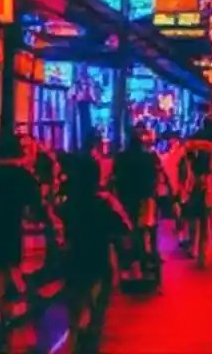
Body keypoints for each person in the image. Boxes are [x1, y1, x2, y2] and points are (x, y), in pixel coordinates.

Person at [58, 152, 131, 352]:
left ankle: (73, 340)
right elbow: (124, 229)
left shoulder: (67, 204)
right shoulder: (103, 204)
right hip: (99, 262)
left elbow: (58, 230)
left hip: (74, 261)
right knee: (96, 314)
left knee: (75, 311)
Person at [0, 134, 39, 328]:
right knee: (13, 265)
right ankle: (21, 300)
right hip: (13, 224)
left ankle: (0, 310)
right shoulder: (22, 175)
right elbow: (33, 202)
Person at [111, 127, 170, 278]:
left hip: (126, 198)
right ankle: (149, 259)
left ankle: (133, 260)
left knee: (130, 229)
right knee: (148, 228)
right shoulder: (148, 157)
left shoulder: (121, 157)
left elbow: (115, 177)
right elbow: (155, 176)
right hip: (145, 197)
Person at [180, 120, 212, 266]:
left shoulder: (192, 147)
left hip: (193, 184)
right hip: (208, 184)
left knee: (193, 218)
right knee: (205, 219)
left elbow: (186, 165)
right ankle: (202, 254)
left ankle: (193, 248)